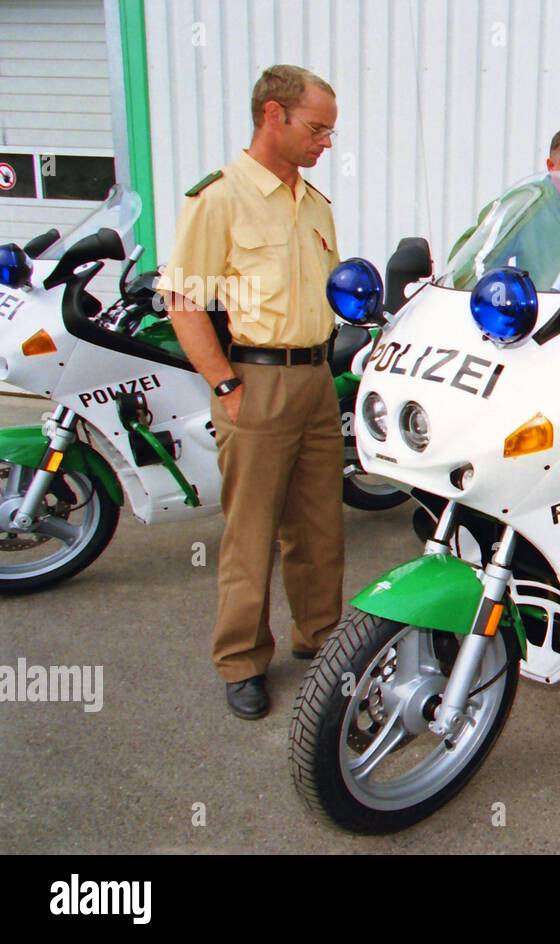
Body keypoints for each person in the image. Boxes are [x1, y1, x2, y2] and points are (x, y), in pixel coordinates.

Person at [156, 65, 344, 720]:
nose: (326, 142)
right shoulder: (221, 198)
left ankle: (320, 638)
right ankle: (241, 659)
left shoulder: (315, 204)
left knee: (320, 528)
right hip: (255, 383)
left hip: (317, 379)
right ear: (273, 115)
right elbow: (183, 302)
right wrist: (226, 385)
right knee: (251, 531)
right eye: (316, 128)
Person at [447, 126, 560, 323]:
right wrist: (502, 315)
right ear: (551, 166)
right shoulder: (524, 206)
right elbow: (470, 265)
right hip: (535, 336)